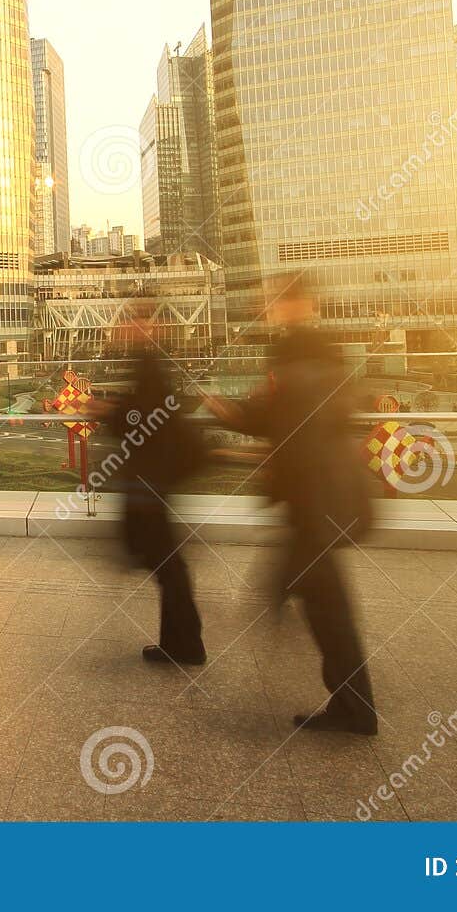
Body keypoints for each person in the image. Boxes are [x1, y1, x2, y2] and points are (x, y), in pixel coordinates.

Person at [205, 273, 378, 735]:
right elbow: (303, 418)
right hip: (328, 492)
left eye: (274, 300)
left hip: (312, 496)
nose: (268, 307)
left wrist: (239, 418)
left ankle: (354, 708)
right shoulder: (326, 353)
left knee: (324, 601)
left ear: (294, 302)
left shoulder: (295, 356)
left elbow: (285, 418)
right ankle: (354, 704)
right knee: (327, 600)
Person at [96, 302, 207, 666]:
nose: (129, 329)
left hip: (151, 479)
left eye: (135, 322)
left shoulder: (150, 363)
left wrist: (108, 412)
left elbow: (144, 415)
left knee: (169, 565)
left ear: (148, 326)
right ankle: (183, 643)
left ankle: (186, 645)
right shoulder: (149, 361)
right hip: (155, 477)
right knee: (169, 565)